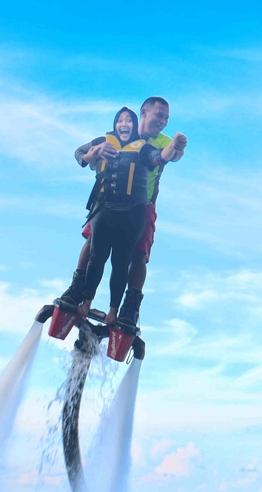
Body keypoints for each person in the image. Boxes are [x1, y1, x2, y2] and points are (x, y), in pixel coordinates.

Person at [59, 97, 187, 327]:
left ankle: (130, 305)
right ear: (144, 113)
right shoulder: (118, 134)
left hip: (142, 206)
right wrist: (93, 154)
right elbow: (85, 155)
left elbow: (170, 155)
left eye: (167, 118)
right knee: (92, 242)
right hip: (107, 202)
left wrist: (177, 147)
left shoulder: (161, 141)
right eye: (159, 115)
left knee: (137, 255)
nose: (163, 121)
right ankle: (78, 288)